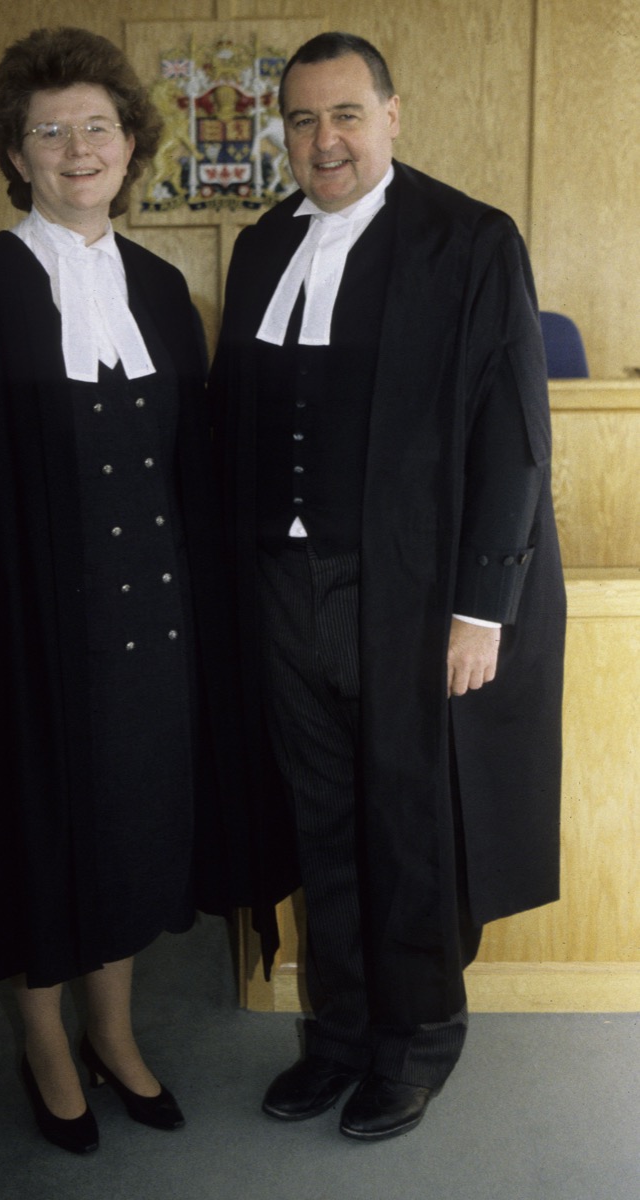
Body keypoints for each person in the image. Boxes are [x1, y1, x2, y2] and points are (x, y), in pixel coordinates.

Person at [0, 26, 243, 1156]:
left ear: (130, 144)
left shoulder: (166, 293)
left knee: (127, 839)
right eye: (49, 130)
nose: (77, 148)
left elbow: (193, 474)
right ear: (14, 154)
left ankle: (116, 1036)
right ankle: (45, 1046)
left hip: (148, 631)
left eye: (97, 127)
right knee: (33, 844)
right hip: (21, 635)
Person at [209, 32, 565, 1141]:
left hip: (406, 592)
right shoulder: (265, 244)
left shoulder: (466, 240)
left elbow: (511, 435)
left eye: (345, 115)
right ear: (283, 132)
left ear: (391, 116)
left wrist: (481, 607)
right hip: (282, 585)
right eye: (303, 121)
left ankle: (414, 1042)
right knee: (320, 819)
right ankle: (336, 1036)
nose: (325, 141)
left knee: (405, 821)